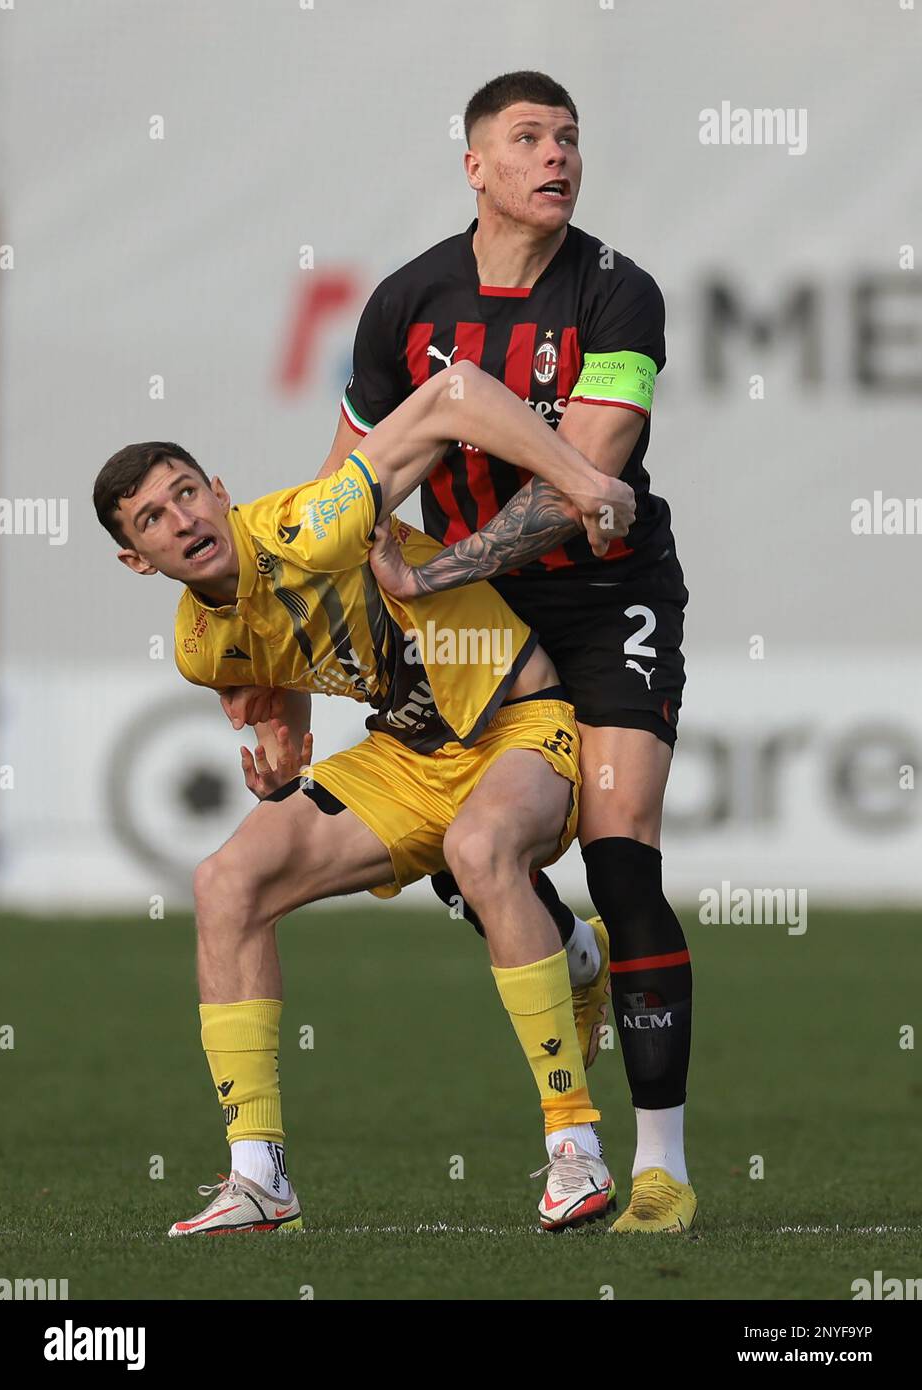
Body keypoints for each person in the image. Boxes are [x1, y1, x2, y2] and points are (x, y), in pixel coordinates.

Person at [93, 360, 636, 1235]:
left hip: (520, 724)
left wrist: (584, 482)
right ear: (136, 559)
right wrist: (284, 752)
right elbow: (283, 659)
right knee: (225, 884)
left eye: (188, 492)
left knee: (478, 850)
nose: (182, 518)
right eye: (153, 517)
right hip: (404, 757)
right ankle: (258, 1176)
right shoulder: (200, 645)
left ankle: (576, 1147)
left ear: (219, 491)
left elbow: (456, 393)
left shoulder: (311, 523)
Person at [325, 71, 696, 1234]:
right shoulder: (405, 302)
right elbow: (358, 485)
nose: (556, 156)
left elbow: (590, 483)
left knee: (622, 857)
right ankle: (568, 952)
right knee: (463, 852)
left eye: (569, 139)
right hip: (478, 616)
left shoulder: (618, 292)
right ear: (475, 165)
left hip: (606, 595)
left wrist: (430, 571)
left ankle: (660, 1167)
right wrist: (291, 664)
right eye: (527, 137)